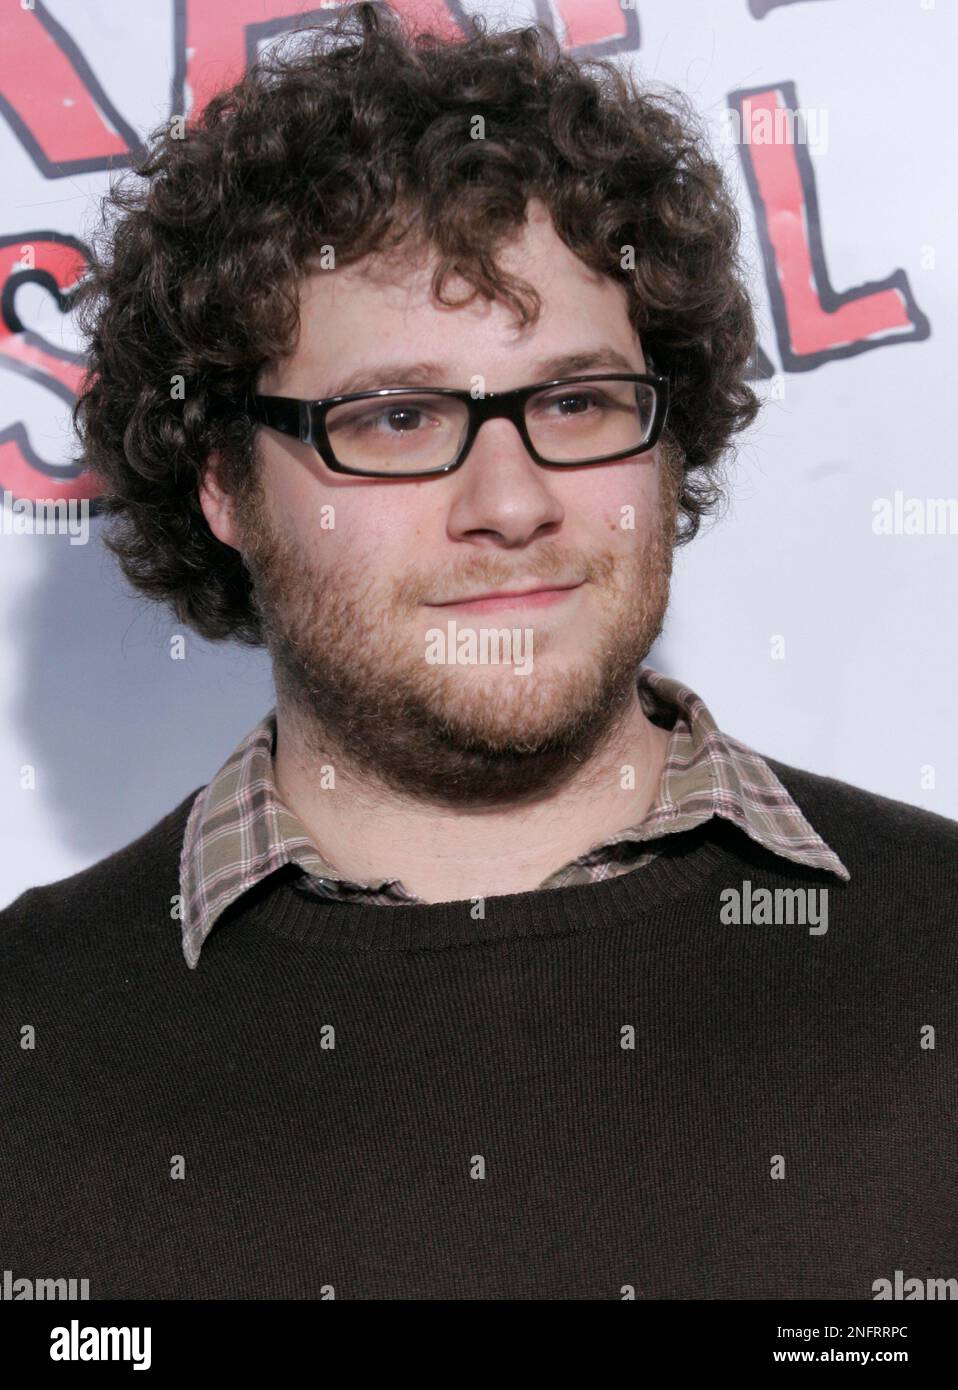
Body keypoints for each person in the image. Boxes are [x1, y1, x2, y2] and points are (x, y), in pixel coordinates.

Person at [1, 1, 955, 1301]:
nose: (508, 501)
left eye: (574, 401)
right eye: (394, 418)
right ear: (223, 480)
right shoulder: (30, 1034)